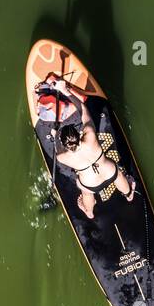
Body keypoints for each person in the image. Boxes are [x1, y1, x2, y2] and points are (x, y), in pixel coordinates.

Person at [34, 74, 135, 219]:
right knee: (118, 175)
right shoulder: (90, 136)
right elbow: (83, 110)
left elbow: (57, 143)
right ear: (79, 133)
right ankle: (129, 194)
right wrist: (65, 90)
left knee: (85, 191)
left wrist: (55, 133)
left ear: (65, 145)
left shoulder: (62, 157)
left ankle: (89, 212)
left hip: (90, 184)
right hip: (109, 171)